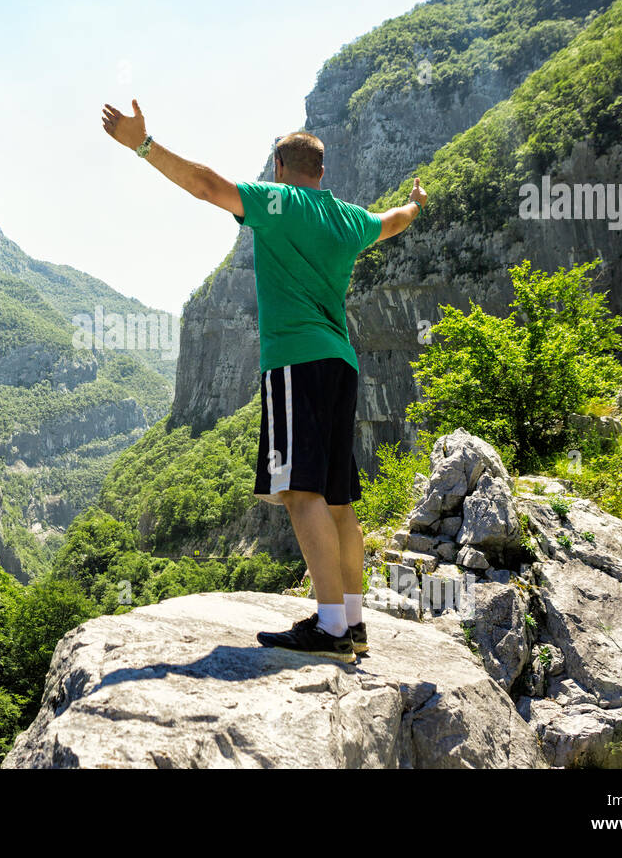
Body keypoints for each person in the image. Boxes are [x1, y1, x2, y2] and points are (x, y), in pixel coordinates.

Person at [101, 99, 427, 662]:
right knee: (340, 502)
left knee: (300, 494)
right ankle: (352, 622)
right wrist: (416, 204)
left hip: (294, 362)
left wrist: (142, 144)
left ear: (279, 167)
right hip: (341, 363)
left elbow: (205, 185)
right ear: (322, 173)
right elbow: (393, 221)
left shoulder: (278, 202)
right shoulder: (349, 218)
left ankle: (329, 630)